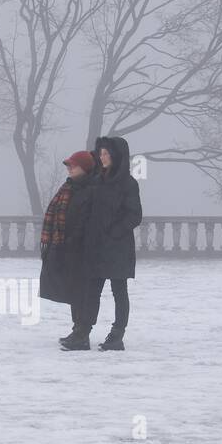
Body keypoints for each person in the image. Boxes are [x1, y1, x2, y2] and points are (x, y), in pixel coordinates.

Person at [66, 136, 142, 352]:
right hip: (96, 246)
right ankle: (83, 334)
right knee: (92, 290)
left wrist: (114, 232)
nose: (102, 157)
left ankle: (117, 335)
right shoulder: (96, 181)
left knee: (119, 290)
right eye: (101, 153)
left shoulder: (128, 184)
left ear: (117, 156)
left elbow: (134, 215)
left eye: (107, 153)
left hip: (118, 247)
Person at [39, 150, 95, 343]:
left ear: (84, 168)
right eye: (69, 165)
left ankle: (82, 333)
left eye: (73, 165)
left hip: (82, 249)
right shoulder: (68, 188)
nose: (70, 168)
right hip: (66, 247)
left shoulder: (89, 190)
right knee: (72, 289)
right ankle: (76, 329)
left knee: (82, 291)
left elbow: (87, 220)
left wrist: (74, 240)